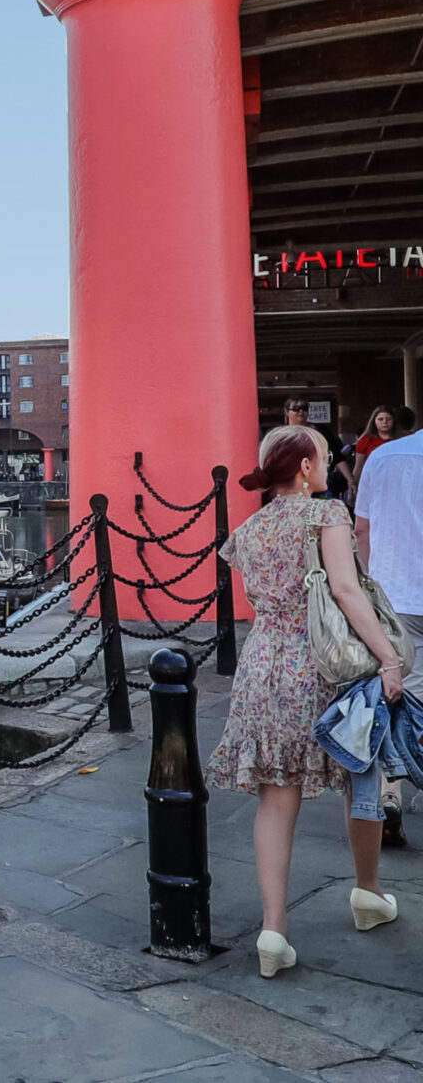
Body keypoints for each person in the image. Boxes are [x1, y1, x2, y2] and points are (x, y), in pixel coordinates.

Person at [207, 425, 406, 978]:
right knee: (358, 774)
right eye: (320, 456)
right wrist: (388, 658)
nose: (324, 463)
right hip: (323, 662)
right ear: (304, 468)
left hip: (263, 667)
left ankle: (273, 930)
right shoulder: (327, 516)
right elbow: (344, 590)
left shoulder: (250, 529)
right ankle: (368, 893)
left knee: (275, 797)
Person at [356, 416, 423, 848]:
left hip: (396, 591)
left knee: (398, 689)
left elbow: (362, 527)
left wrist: (369, 581)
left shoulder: (383, 456)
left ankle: (390, 794)